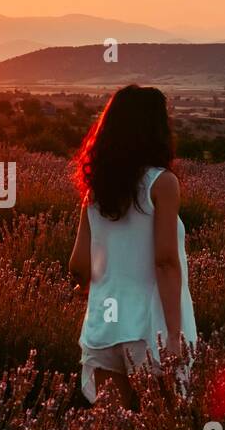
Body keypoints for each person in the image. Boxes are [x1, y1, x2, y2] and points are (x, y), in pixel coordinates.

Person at [68, 85, 197, 410]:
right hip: (148, 328)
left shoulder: (95, 191)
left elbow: (78, 266)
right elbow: (166, 262)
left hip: (104, 326)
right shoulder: (161, 184)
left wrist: (101, 292)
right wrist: (173, 336)